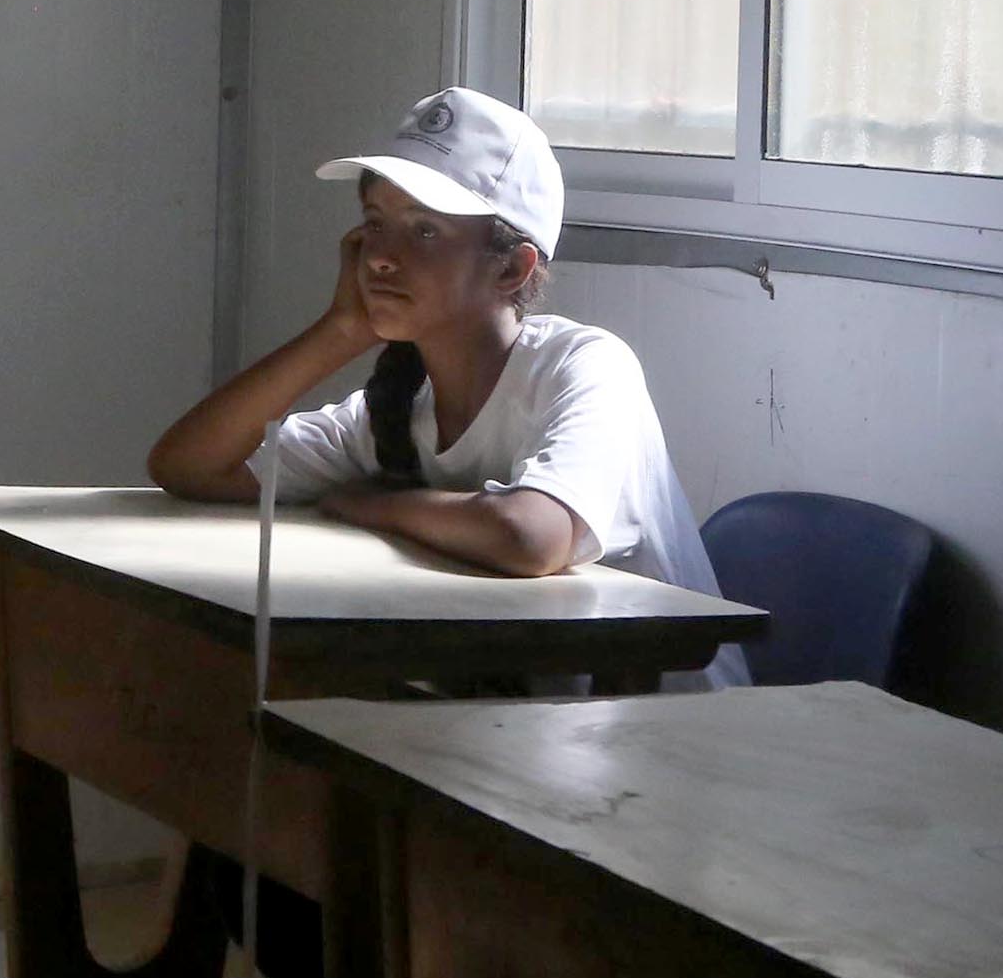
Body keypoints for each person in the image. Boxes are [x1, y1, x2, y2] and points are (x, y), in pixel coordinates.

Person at [149, 84, 746, 684]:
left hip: (679, 738)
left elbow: (532, 537)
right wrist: (339, 330)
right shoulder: (393, 410)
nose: (381, 257)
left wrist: (376, 505)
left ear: (512, 267)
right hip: (539, 735)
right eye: (375, 225)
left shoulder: (586, 366)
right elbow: (188, 467)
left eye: (425, 231)